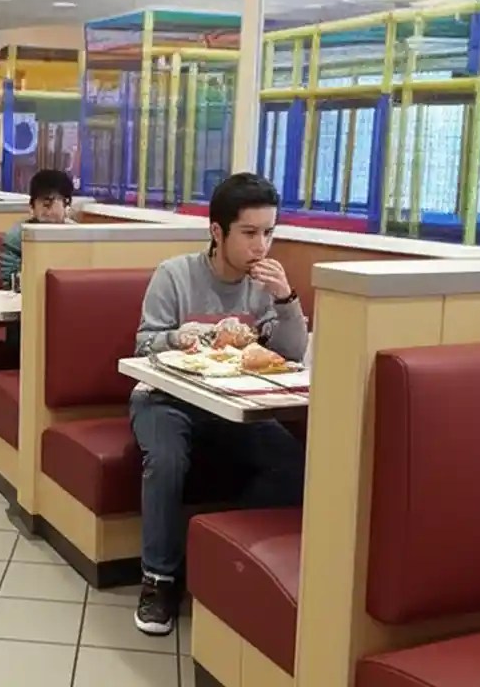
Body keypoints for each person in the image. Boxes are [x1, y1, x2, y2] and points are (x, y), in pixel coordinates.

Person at [128, 173, 308, 636]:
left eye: (269, 233)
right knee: (166, 460)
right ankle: (159, 581)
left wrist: (286, 298)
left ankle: (216, 553)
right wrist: (177, 336)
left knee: (294, 463)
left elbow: (290, 353)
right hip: (164, 398)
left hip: (233, 406)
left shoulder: (264, 285)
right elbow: (144, 342)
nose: (261, 246)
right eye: (249, 233)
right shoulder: (175, 274)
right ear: (217, 232)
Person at [0, 169, 75, 353]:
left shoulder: (78, 236)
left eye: (54, 202)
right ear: (32, 206)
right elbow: (11, 281)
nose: (48, 210)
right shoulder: (17, 237)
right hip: (26, 319)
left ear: (67, 205)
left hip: (69, 315)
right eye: (43, 203)